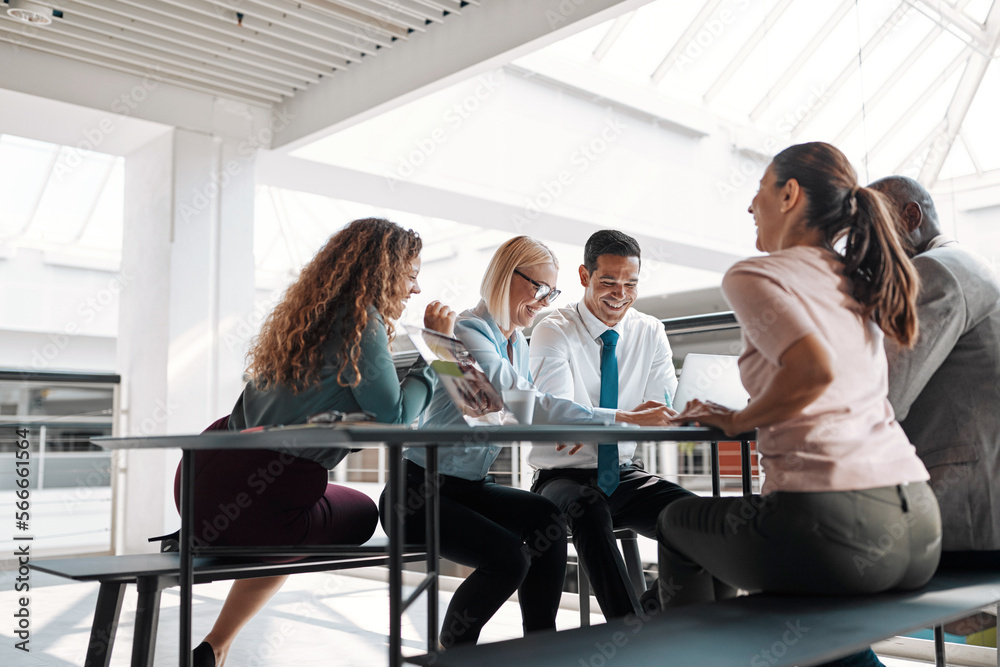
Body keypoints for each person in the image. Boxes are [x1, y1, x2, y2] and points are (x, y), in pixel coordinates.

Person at [656, 143, 942, 666]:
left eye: (760, 188)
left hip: (836, 524)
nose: (749, 207)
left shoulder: (755, 274)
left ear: (789, 194)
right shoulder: (857, 276)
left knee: (676, 522)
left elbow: (813, 370)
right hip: (919, 523)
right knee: (818, 639)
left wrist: (738, 419)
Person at [176, 218, 455, 667]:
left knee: (305, 510)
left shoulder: (302, 321)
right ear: (382, 273)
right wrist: (436, 355)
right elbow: (397, 421)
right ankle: (219, 641)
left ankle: (217, 645)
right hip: (262, 502)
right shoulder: (362, 323)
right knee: (364, 512)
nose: (416, 289)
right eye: (411, 275)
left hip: (198, 490)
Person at [380, 235, 676, 649]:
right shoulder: (466, 330)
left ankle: (542, 646)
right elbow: (520, 404)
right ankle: (452, 652)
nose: (544, 301)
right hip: (417, 492)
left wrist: (569, 423)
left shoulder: (516, 342)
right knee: (510, 558)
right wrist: (612, 418)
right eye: (538, 288)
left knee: (546, 520)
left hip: (468, 489)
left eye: (551, 292)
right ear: (506, 276)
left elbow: (518, 410)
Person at [527, 229, 694, 619]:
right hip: (561, 479)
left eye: (630, 283)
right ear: (584, 276)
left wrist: (592, 422)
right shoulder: (553, 329)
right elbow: (557, 412)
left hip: (624, 476)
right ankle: (625, 634)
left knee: (699, 522)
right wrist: (625, 418)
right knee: (587, 508)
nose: (620, 293)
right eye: (608, 282)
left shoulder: (649, 330)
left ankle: (646, 616)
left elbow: (663, 407)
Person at [871, 175, 1000, 642]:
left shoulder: (934, 272)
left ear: (911, 218)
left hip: (961, 497)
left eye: (875, 231)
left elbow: (885, 394)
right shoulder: (970, 263)